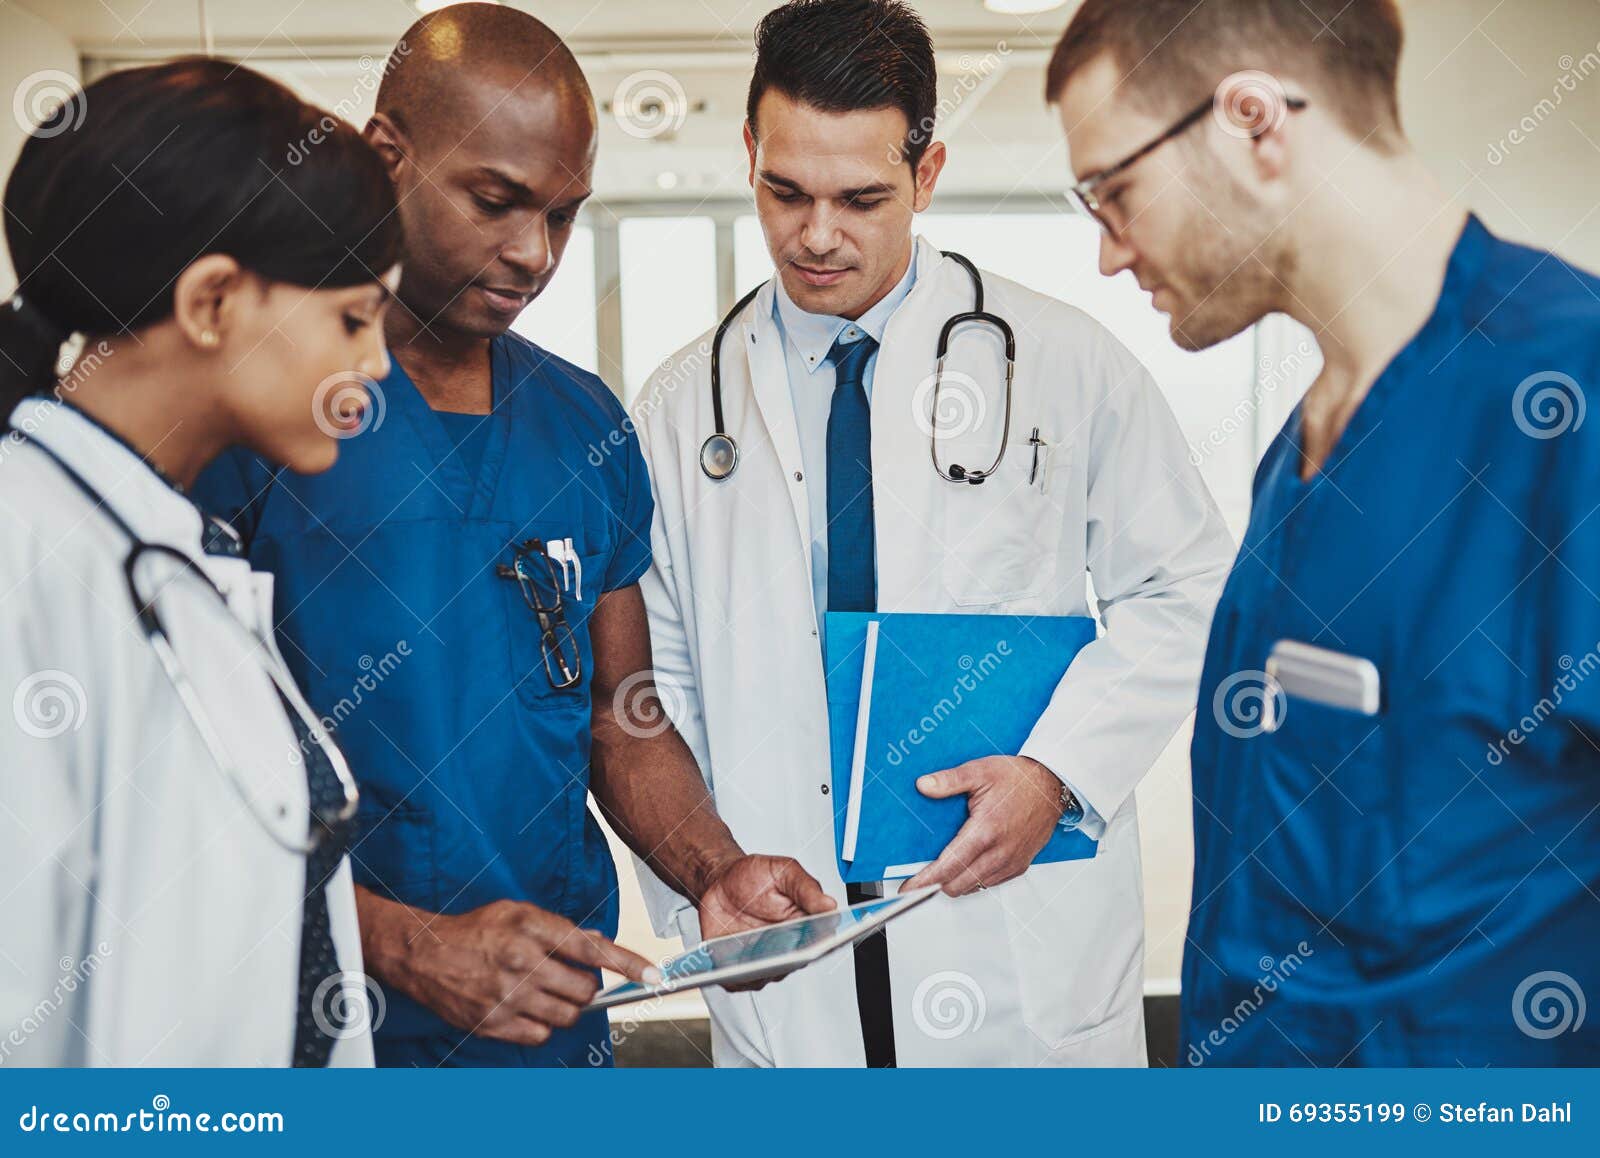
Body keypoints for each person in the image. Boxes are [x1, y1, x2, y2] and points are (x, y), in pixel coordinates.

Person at [193, 2, 832, 1069]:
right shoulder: (260, 413)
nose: (534, 252)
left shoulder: (582, 428)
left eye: (566, 214)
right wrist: (398, 943)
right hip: (313, 1020)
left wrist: (712, 870)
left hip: (547, 1022)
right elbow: (180, 775)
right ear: (384, 157)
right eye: (495, 201)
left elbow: (618, 717)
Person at [629, 0, 1236, 1067]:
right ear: (748, 155)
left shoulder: (1062, 361)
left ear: (928, 172)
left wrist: (1057, 771)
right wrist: (706, 874)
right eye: (785, 192)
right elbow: (656, 682)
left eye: (860, 197)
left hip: (1015, 961)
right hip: (793, 970)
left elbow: (1186, 587)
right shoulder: (681, 407)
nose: (817, 235)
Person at [1046, 0, 1600, 1065]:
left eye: (1112, 194)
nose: (1109, 255)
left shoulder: (1563, 401)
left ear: (1254, 123)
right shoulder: (1301, 458)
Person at [0, 58, 404, 1066]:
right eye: (353, 318)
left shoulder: (172, 549)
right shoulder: (27, 551)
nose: (377, 364)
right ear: (214, 300)